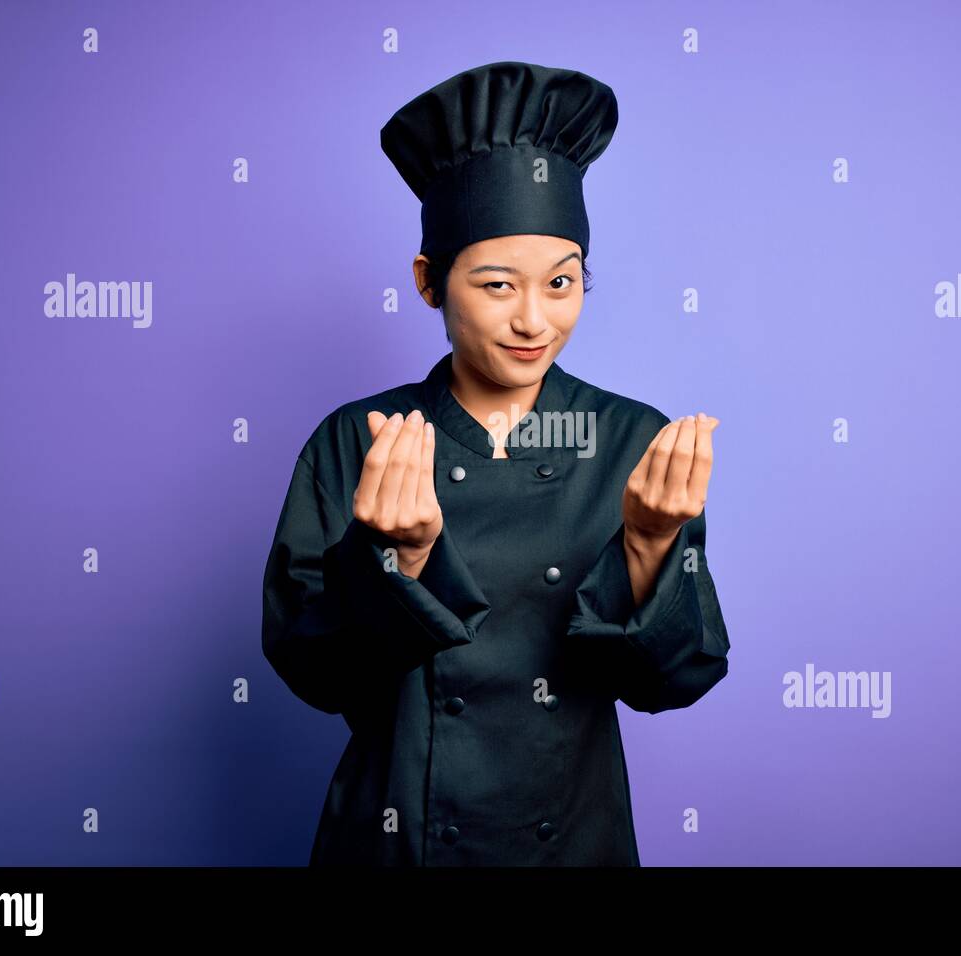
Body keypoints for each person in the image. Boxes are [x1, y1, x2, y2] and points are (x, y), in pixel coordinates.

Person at [261, 61, 730, 866]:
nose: (533, 319)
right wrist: (396, 562)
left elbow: (673, 684)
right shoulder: (355, 442)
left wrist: (652, 545)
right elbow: (314, 675)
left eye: (561, 283)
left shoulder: (629, 441)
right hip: (398, 838)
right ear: (429, 283)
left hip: (572, 842)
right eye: (496, 284)